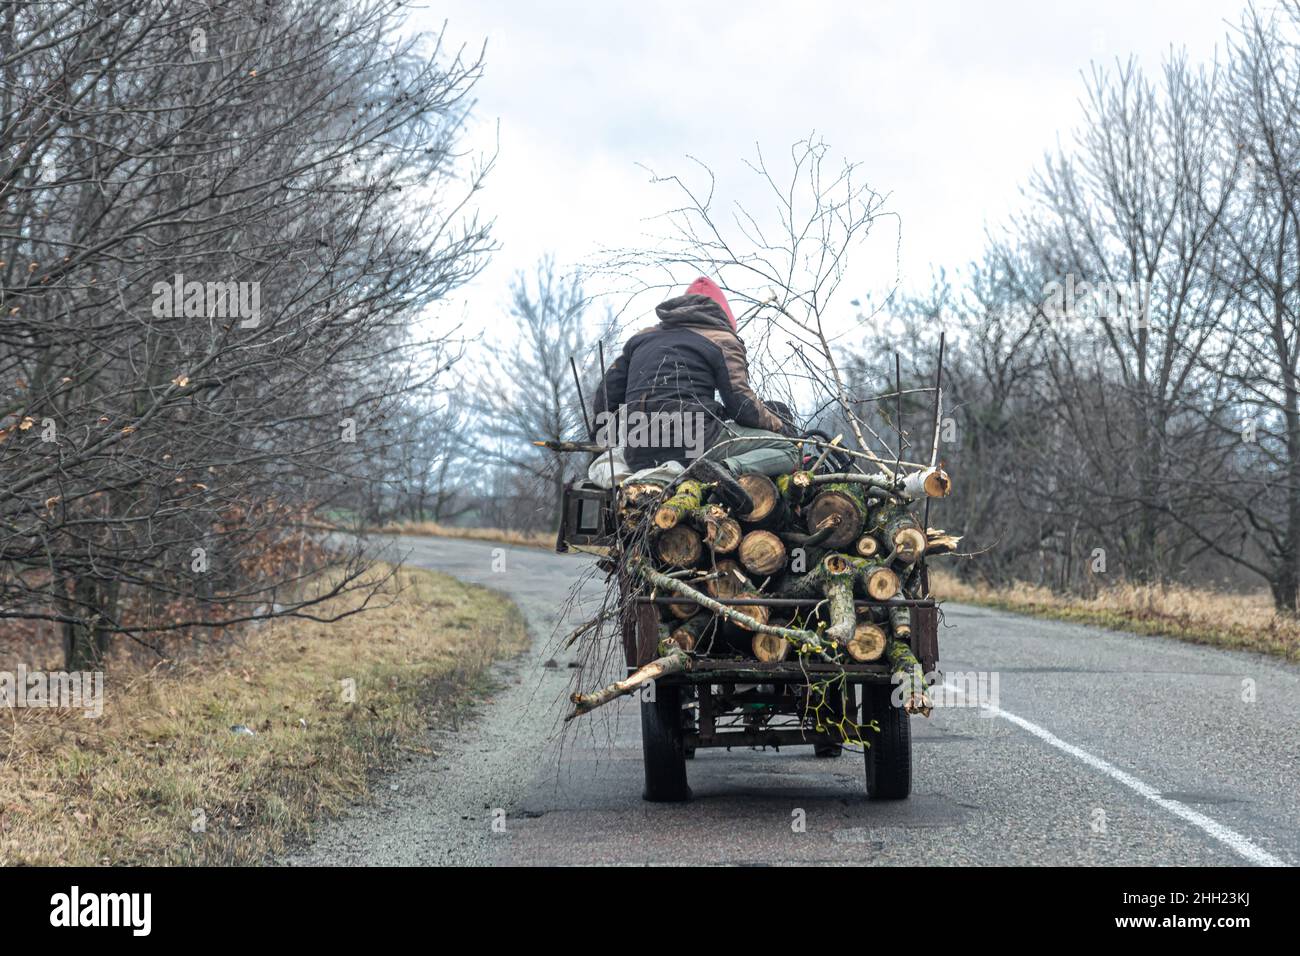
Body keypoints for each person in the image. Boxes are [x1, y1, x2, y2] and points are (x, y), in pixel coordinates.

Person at [592, 277, 801, 502]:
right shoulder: (721, 339)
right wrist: (779, 427)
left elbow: (606, 397)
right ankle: (725, 469)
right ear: (725, 316)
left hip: (638, 450)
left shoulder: (641, 338)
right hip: (693, 444)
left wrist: (604, 439)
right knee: (789, 451)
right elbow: (742, 406)